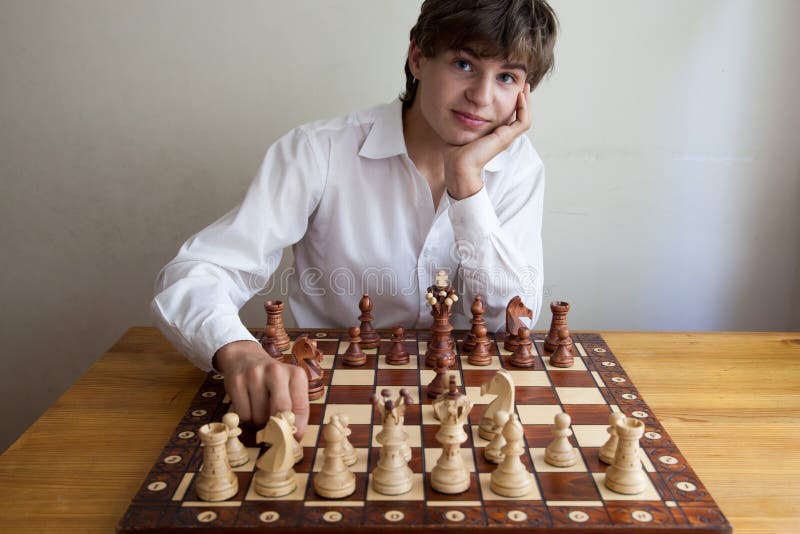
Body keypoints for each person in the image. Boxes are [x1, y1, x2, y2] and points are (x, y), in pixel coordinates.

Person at [151, 0, 558, 439]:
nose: (482, 96)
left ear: (524, 91)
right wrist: (238, 352)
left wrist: (466, 181)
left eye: (506, 77)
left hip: (466, 407)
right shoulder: (318, 151)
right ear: (418, 58)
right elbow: (198, 273)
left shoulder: (518, 168)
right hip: (326, 396)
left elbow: (511, 320)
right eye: (464, 63)